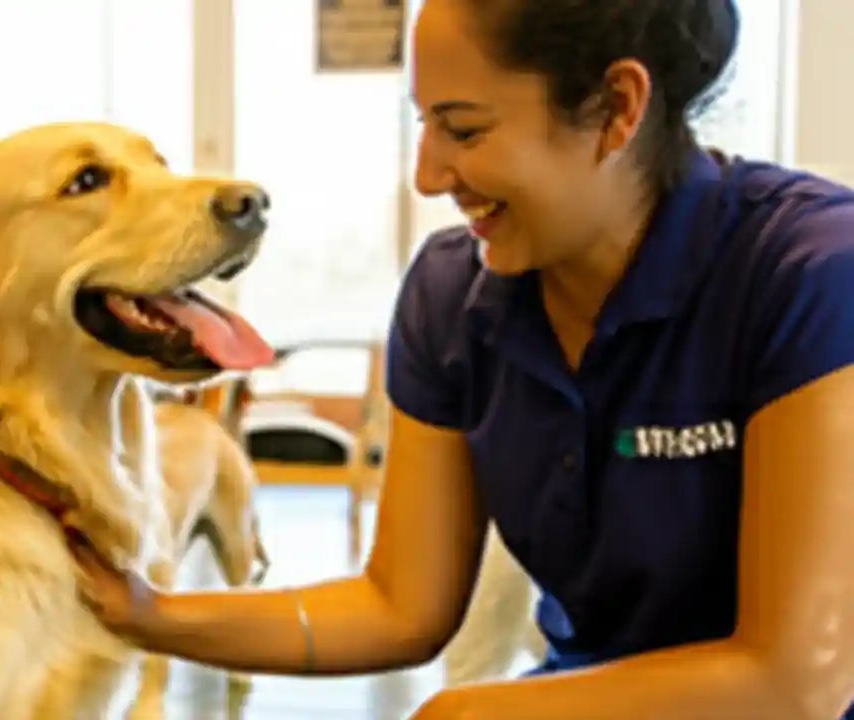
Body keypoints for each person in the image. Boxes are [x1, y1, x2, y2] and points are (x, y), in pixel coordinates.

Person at [69, 0, 854, 717]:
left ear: (617, 108)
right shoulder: (455, 298)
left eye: (465, 129)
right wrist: (144, 612)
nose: (428, 173)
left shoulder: (808, 272)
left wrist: (472, 713)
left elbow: (797, 679)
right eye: (424, 125)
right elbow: (397, 607)